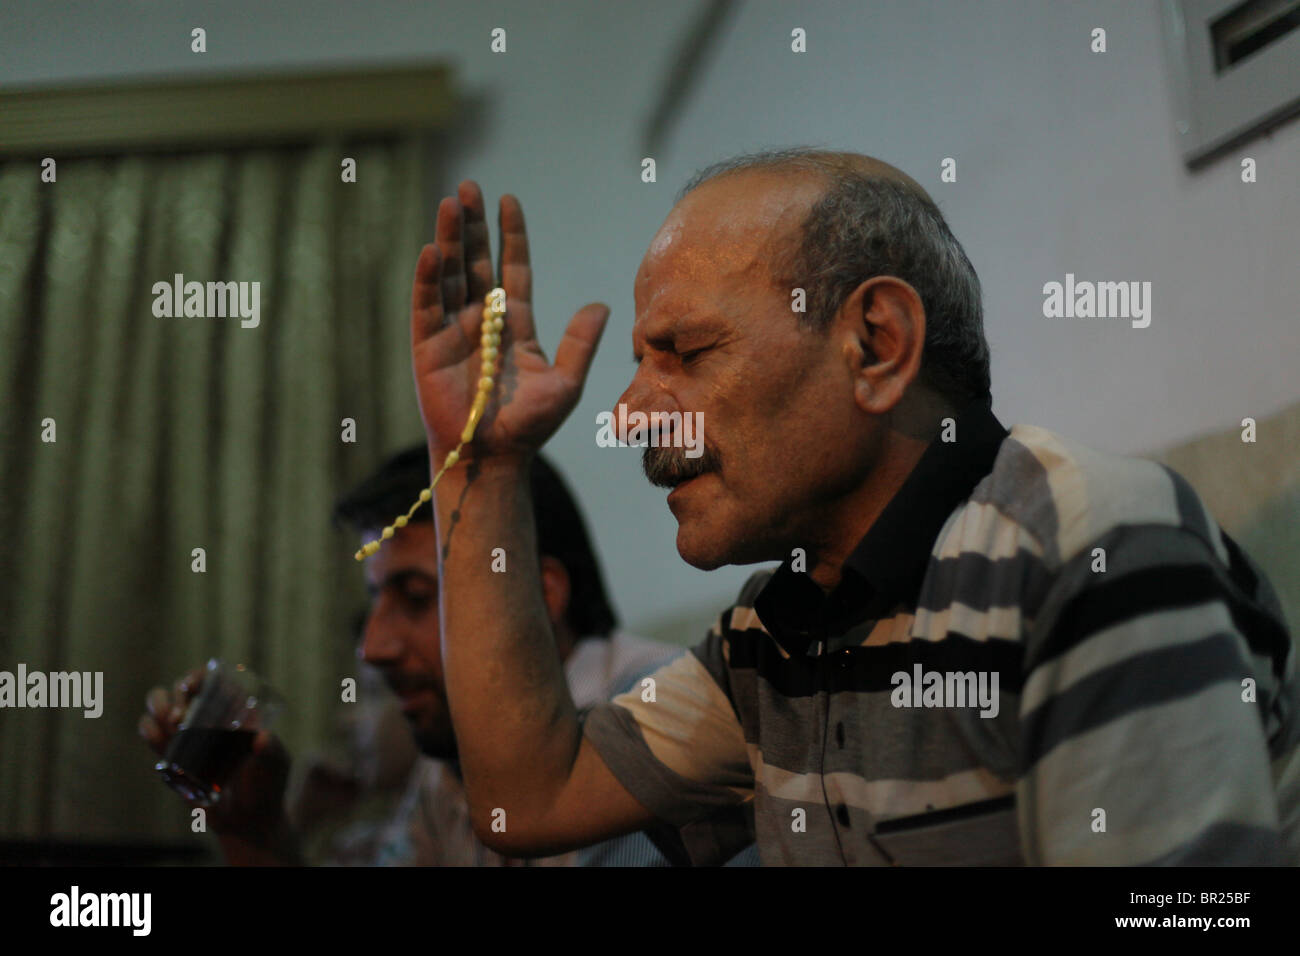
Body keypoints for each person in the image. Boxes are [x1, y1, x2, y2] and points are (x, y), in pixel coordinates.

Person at [407, 147, 1300, 865]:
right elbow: (521, 799)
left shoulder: (1083, 542)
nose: (630, 412)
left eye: (683, 350)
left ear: (877, 344)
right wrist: (478, 461)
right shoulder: (776, 634)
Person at [139, 448, 689, 866]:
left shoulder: (653, 728)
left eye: (417, 597)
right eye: (377, 600)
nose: (373, 648)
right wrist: (254, 830)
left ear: (542, 595)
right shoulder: (457, 750)